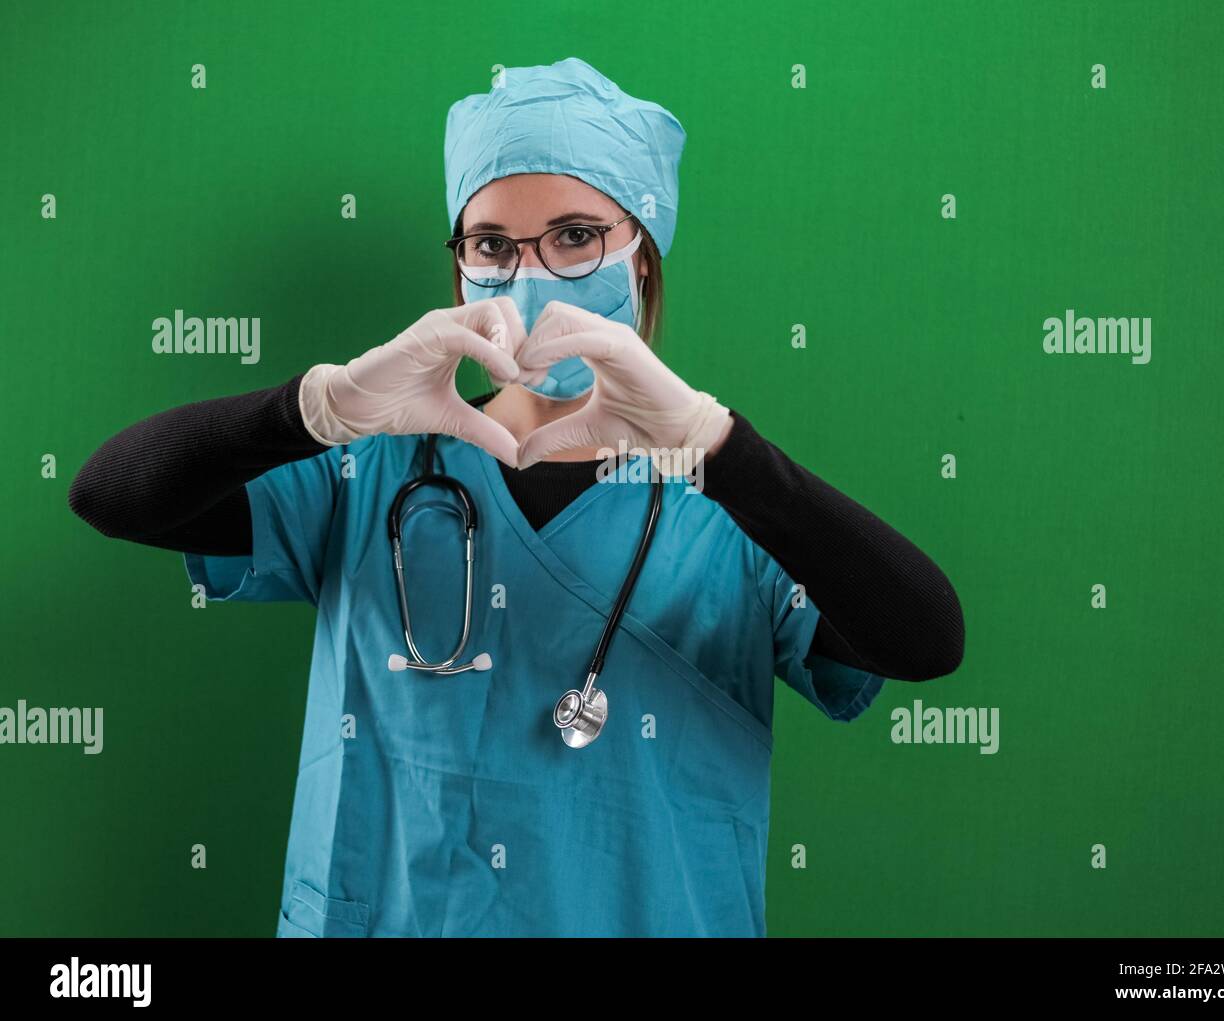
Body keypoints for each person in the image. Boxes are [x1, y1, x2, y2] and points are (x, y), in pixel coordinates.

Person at [69, 57, 964, 937]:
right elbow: (109, 494)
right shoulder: (370, 470)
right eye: (493, 244)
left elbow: (927, 639)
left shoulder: (729, 501)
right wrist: (320, 406)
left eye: (576, 236)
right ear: (462, 268)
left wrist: (721, 450)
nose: (529, 274)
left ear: (642, 257)